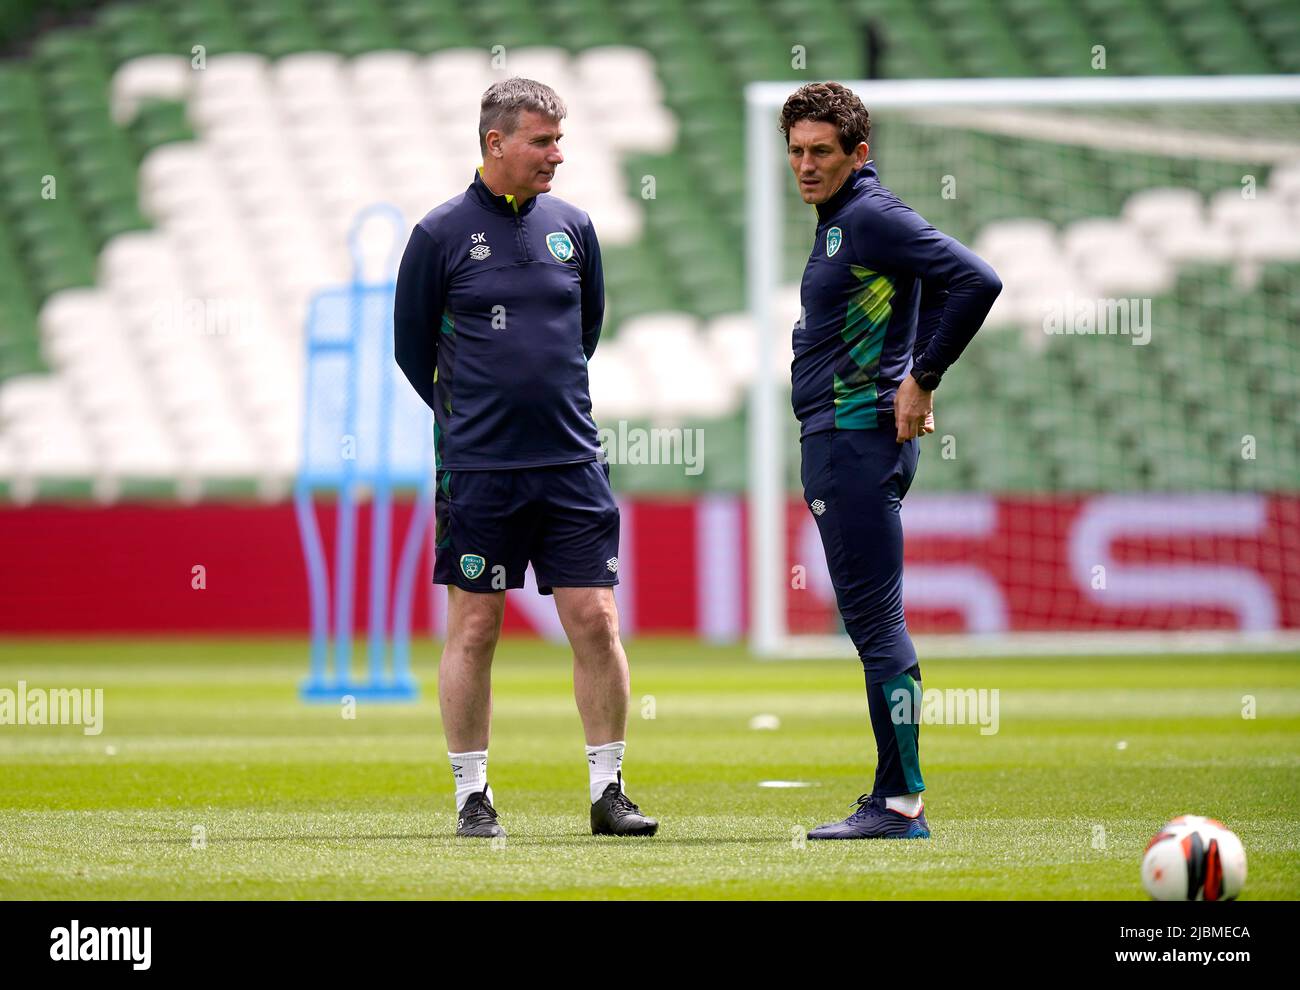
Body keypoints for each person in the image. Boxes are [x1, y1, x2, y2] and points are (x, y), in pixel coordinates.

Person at [393, 77, 657, 839]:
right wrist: (474, 419)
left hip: (570, 464)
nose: (556, 155)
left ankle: (609, 790)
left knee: (596, 621)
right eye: (542, 141)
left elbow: (586, 333)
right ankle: (472, 796)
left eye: (558, 140)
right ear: (494, 143)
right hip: (479, 472)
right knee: (474, 630)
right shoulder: (438, 235)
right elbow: (413, 353)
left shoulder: (574, 227)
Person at [780, 82, 1002, 839]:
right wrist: (911, 369)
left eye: (822, 152)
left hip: (854, 438)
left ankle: (901, 802)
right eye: (797, 152)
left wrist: (922, 374)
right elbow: (938, 293)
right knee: (874, 620)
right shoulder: (844, 221)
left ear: (858, 154)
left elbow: (977, 280)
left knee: (875, 622)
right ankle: (893, 795)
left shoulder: (871, 216)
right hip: (849, 435)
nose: (806, 165)